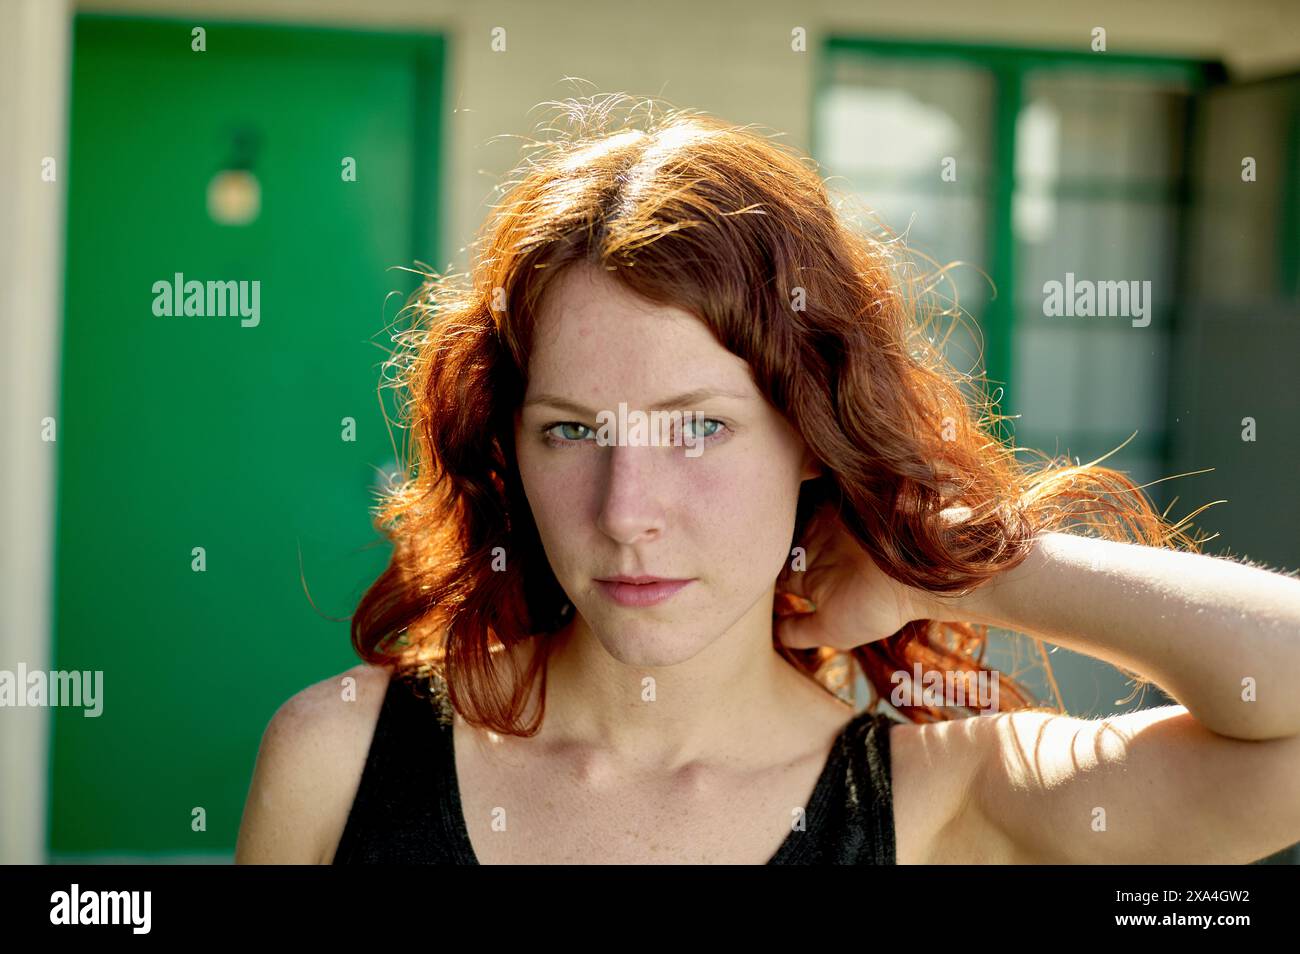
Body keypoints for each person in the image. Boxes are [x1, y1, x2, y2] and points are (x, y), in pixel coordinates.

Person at [235, 94, 1300, 865]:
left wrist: (948, 567)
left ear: (809, 436)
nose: (627, 513)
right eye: (569, 433)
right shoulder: (338, 757)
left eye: (698, 427)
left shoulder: (939, 798)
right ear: (506, 446)